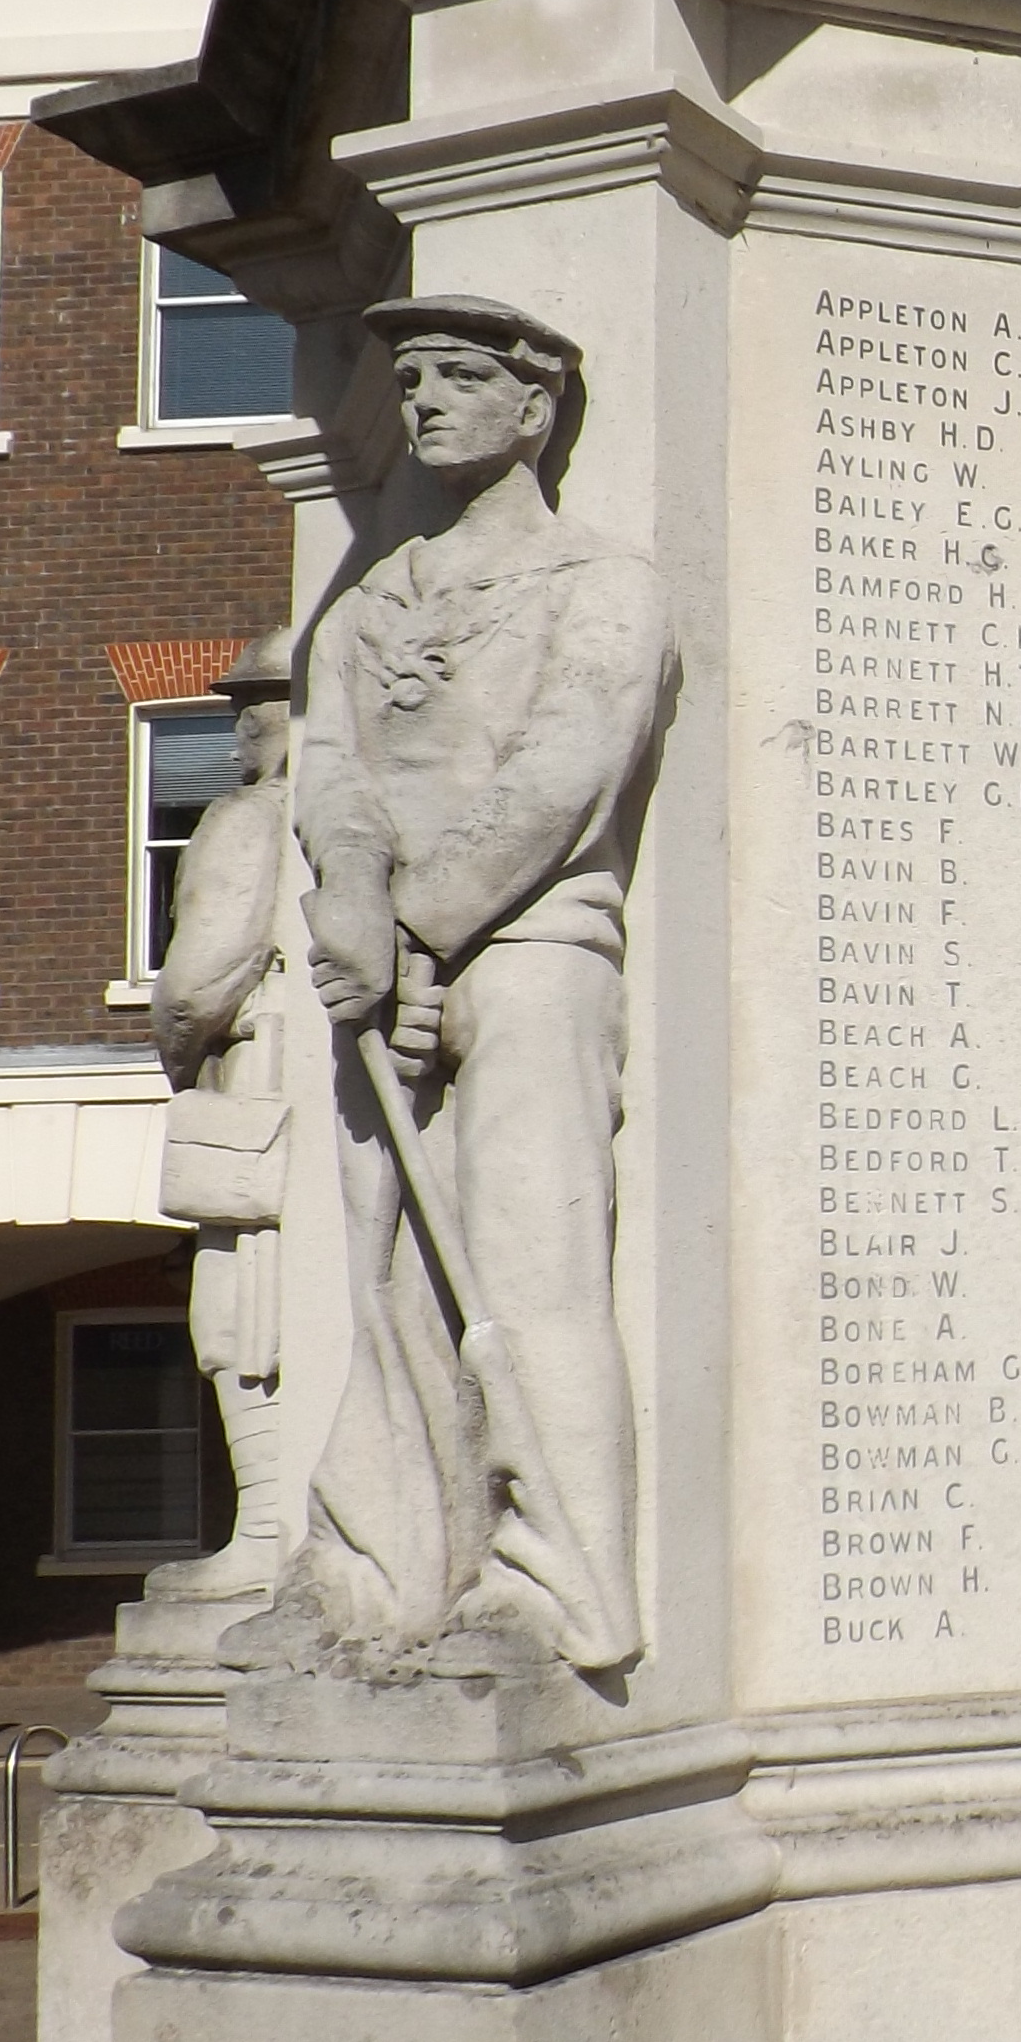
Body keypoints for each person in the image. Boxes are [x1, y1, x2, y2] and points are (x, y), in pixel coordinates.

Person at [290, 297, 675, 1672]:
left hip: (530, 953)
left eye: (460, 378)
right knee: (391, 1280)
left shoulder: (601, 584)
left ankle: (566, 1583)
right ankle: (399, 1563)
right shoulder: (367, 605)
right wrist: (351, 900)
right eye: (409, 382)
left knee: (534, 1265)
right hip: (379, 959)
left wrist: (432, 929)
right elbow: (329, 768)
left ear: (536, 407)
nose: (426, 404)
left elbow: (565, 774)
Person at [146, 627, 298, 1598]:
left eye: (245, 714)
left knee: (242, 1305)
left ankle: (270, 1529)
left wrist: (179, 1058)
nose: (237, 739)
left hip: (262, 1073)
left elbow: (198, 981)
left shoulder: (248, 820)